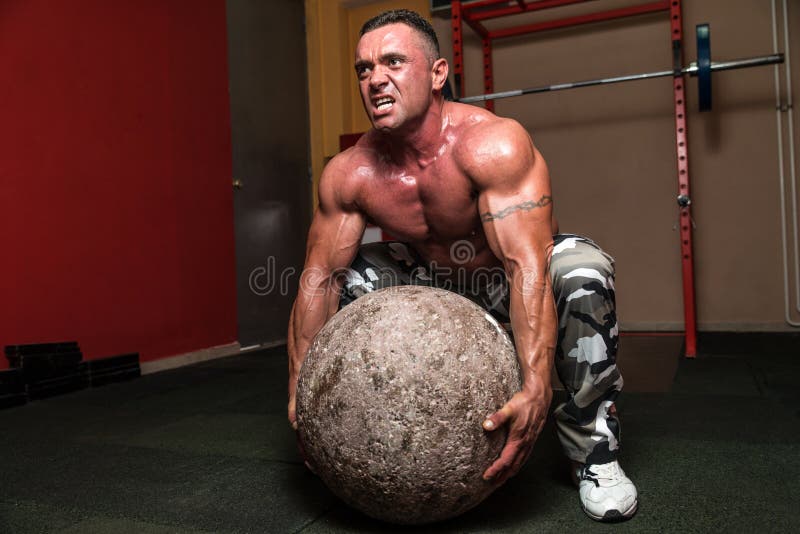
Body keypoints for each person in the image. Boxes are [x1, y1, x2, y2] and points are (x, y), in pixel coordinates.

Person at [287, 9, 638, 522]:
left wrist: (536, 388)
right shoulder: (351, 173)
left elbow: (527, 266)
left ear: (437, 74)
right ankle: (374, 433)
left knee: (583, 270)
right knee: (352, 273)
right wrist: (302, 397)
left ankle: (594, 450)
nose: (375, 78)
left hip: (503, 276)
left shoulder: (491, 144)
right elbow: (318, 278)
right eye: (363, 69)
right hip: (432, 282)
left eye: (392, 62)